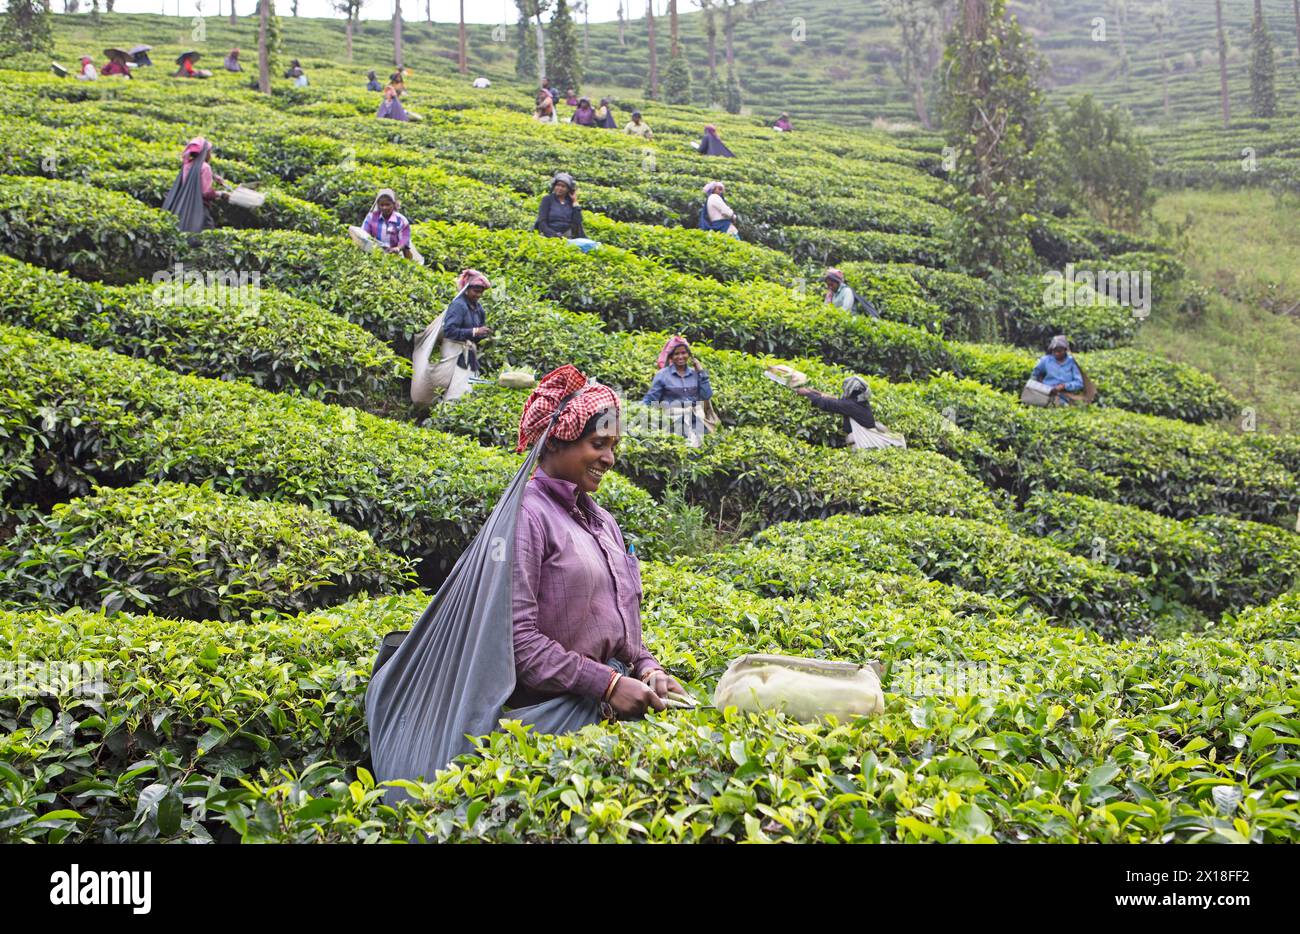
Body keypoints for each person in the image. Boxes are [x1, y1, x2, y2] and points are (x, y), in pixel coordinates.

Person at [513, 365, 680, 713]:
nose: (609, 458)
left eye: (613, 446)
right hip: (550, 713)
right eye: (598, 444)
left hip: (605, 707)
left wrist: (648, 667)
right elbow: (519, 645)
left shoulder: (603, 521)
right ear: (557, 440)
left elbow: (620, 632)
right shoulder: (528, 516)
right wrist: (606, 683)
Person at [412, 269, 494, 404]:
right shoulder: (458, 305)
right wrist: (473, 332)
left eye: (481, 292)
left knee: (463, 386)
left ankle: (451, 411)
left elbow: (476, 333)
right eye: (476, 291)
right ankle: (443, 410)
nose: (478, 295)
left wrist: (482, 335)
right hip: (454, 350)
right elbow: (450, 330)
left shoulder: (479, 309)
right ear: (467, 289)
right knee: (455, 385)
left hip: (468, 352)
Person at [642, 336, 718, 447]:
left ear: (689, 354)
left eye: (684, 353)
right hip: (673, 425)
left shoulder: (696, 374)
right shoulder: (662, 375)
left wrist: (701, 371)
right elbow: (650, 400)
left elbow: (706, 395)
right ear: (671, 356)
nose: (680, 357)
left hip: (696, 423)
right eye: (676, 354)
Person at [796, 377, 906, 450]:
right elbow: (834, 399)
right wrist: (812, 391)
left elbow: (827, 403)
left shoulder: (851, 405)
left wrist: (807, 394)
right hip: (865, 442)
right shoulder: (860, 402)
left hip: (865, 444)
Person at [162, 137, 227, 234]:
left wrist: (213, 177)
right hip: (199, 208)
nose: (210, 155)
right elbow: (205, 193)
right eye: (209, 152)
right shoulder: (205, 167)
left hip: (183, 204)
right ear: (205, 152)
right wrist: (221, 193)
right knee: (207, 234)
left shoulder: (187, 165)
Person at [1026, 335, 1093, 406]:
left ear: (1065, 350)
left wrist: (1064, 386)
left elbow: (1079, 383)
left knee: (1064, 405)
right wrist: (1033, 387)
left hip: (1065, 395)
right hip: (1046, 393)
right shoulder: (1046, 360)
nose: (1057, 353)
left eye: (1059, 351)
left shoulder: (1071, 362)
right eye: (1054, 351)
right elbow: (1035, 374)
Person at [359, 189, 417, 261]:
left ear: (393, 204)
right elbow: (363, 234)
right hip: (374, 253)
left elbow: (404, 239)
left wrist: (397, 248)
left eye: (387, 204)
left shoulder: (401, 220)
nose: (384, 207)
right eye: (382, 205)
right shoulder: (371, 217)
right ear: (378, 205)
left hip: (394, 256)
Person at [535, 172, 587, 240]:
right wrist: (554, 235)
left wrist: (575, 201)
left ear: (568, 189)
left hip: (567, 237)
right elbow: (542, 221)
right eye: (558, 185)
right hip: (549, 236)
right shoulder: (547, 199)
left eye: (563, 186)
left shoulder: (570, 202)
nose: (560, 188)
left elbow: (577, 221)